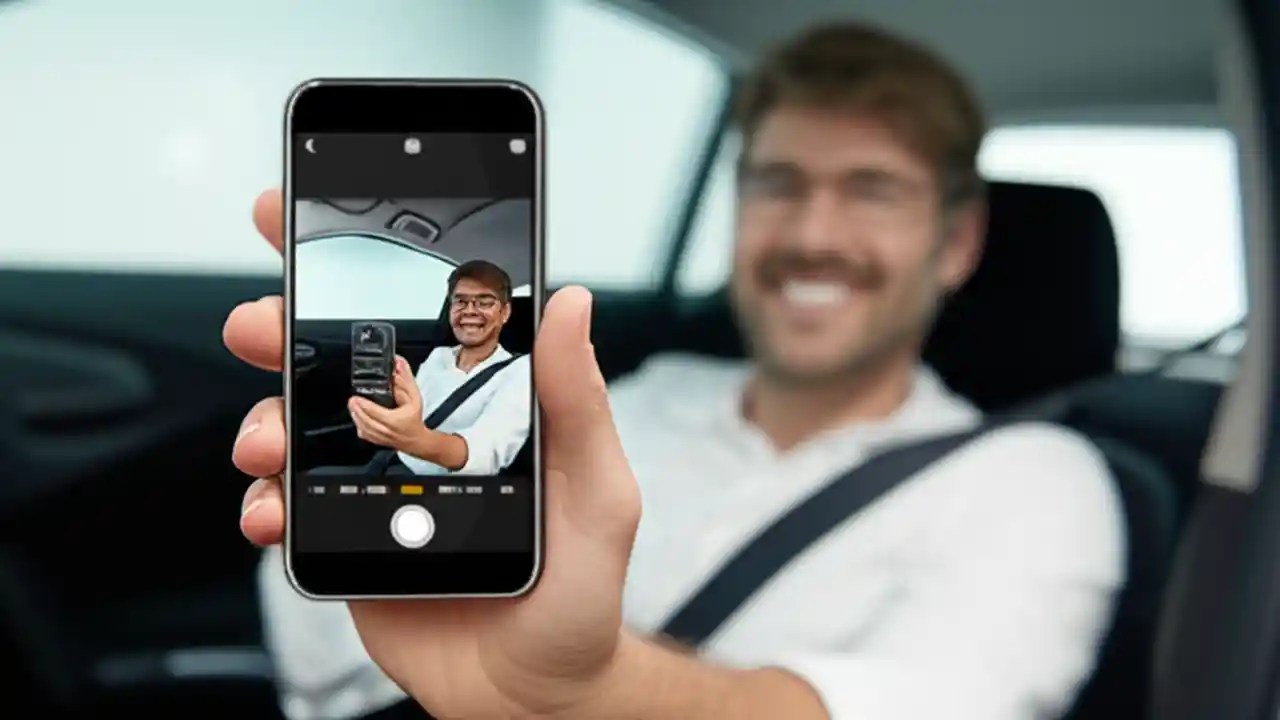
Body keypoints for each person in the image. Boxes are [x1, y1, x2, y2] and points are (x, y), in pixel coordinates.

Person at [227, 22, 1124, 720]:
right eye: (779, 183)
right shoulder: (637, 397)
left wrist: (582, 690)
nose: (812, 236)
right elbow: (329, 663)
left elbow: (929, 705)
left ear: (957, 241)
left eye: (870, 190)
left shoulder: (1031, 479)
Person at [343, 259, 531, 476]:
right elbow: (412, 414)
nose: (470, 310)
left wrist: (414, 438)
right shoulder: (438, 356)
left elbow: (483, 455)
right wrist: (381, 409)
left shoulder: (521, 371)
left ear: (505, 313)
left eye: (485, 302)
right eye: (460, 301)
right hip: (389, 463)